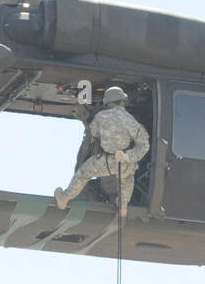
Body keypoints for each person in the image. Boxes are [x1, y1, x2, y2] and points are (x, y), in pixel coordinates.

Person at [54, 86, 150, 218]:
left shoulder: (101, 116)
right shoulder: (131, 121)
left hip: (105, 161)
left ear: (108, 103)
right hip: (124, 162)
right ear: (123, 101)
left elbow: (94, 133)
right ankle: (122, 205)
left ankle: (64, 198)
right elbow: (144, 145)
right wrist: (128, 156)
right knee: (128, 180)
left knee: (82, 174)